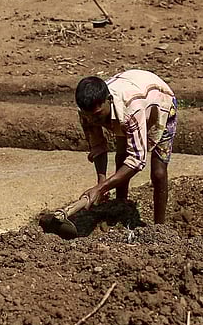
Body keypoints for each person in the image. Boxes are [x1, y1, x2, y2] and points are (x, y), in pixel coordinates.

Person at [75, 69, 179, 225]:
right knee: (121, 159)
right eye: (88, 116)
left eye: (97, 115)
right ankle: (120, 208)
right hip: (129, 96)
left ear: (108, 100)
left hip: (161, 103)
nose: (93, 120)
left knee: (158, 172)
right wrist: (101, 183)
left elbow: (137, 160)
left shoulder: (131, 110)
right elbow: (98, 146)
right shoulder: (87, 111)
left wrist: (101, 188)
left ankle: (159, 226)